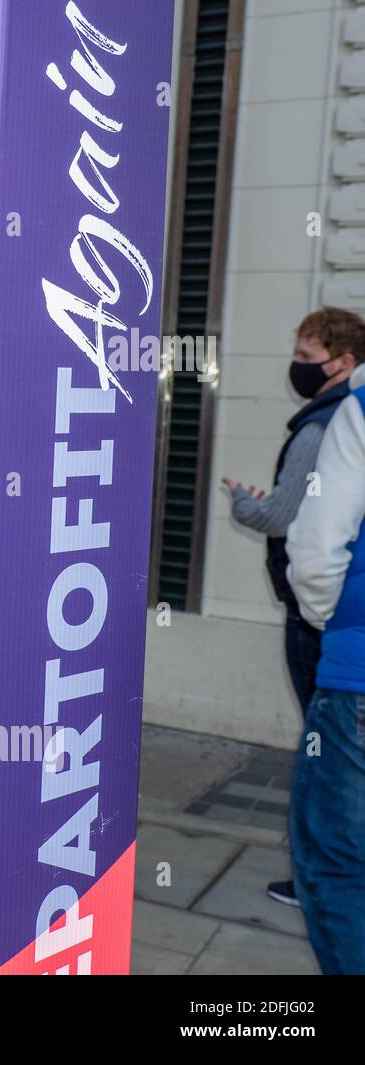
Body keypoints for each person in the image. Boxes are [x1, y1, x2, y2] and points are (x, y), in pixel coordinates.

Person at [221, 307, 362, 909]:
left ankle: (324, 881)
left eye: (307, 359)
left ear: (344, 362)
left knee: (326, 757)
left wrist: (244, 507)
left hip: (328, 627)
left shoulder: (325, 426)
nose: (297, 369)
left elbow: (293, 524)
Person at [284, 339, 365, 976]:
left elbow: (313, 552)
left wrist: (332, 625)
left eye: (307, 349)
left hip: (358, 671)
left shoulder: (353, 413)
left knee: (337, 862)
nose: (298, 359)